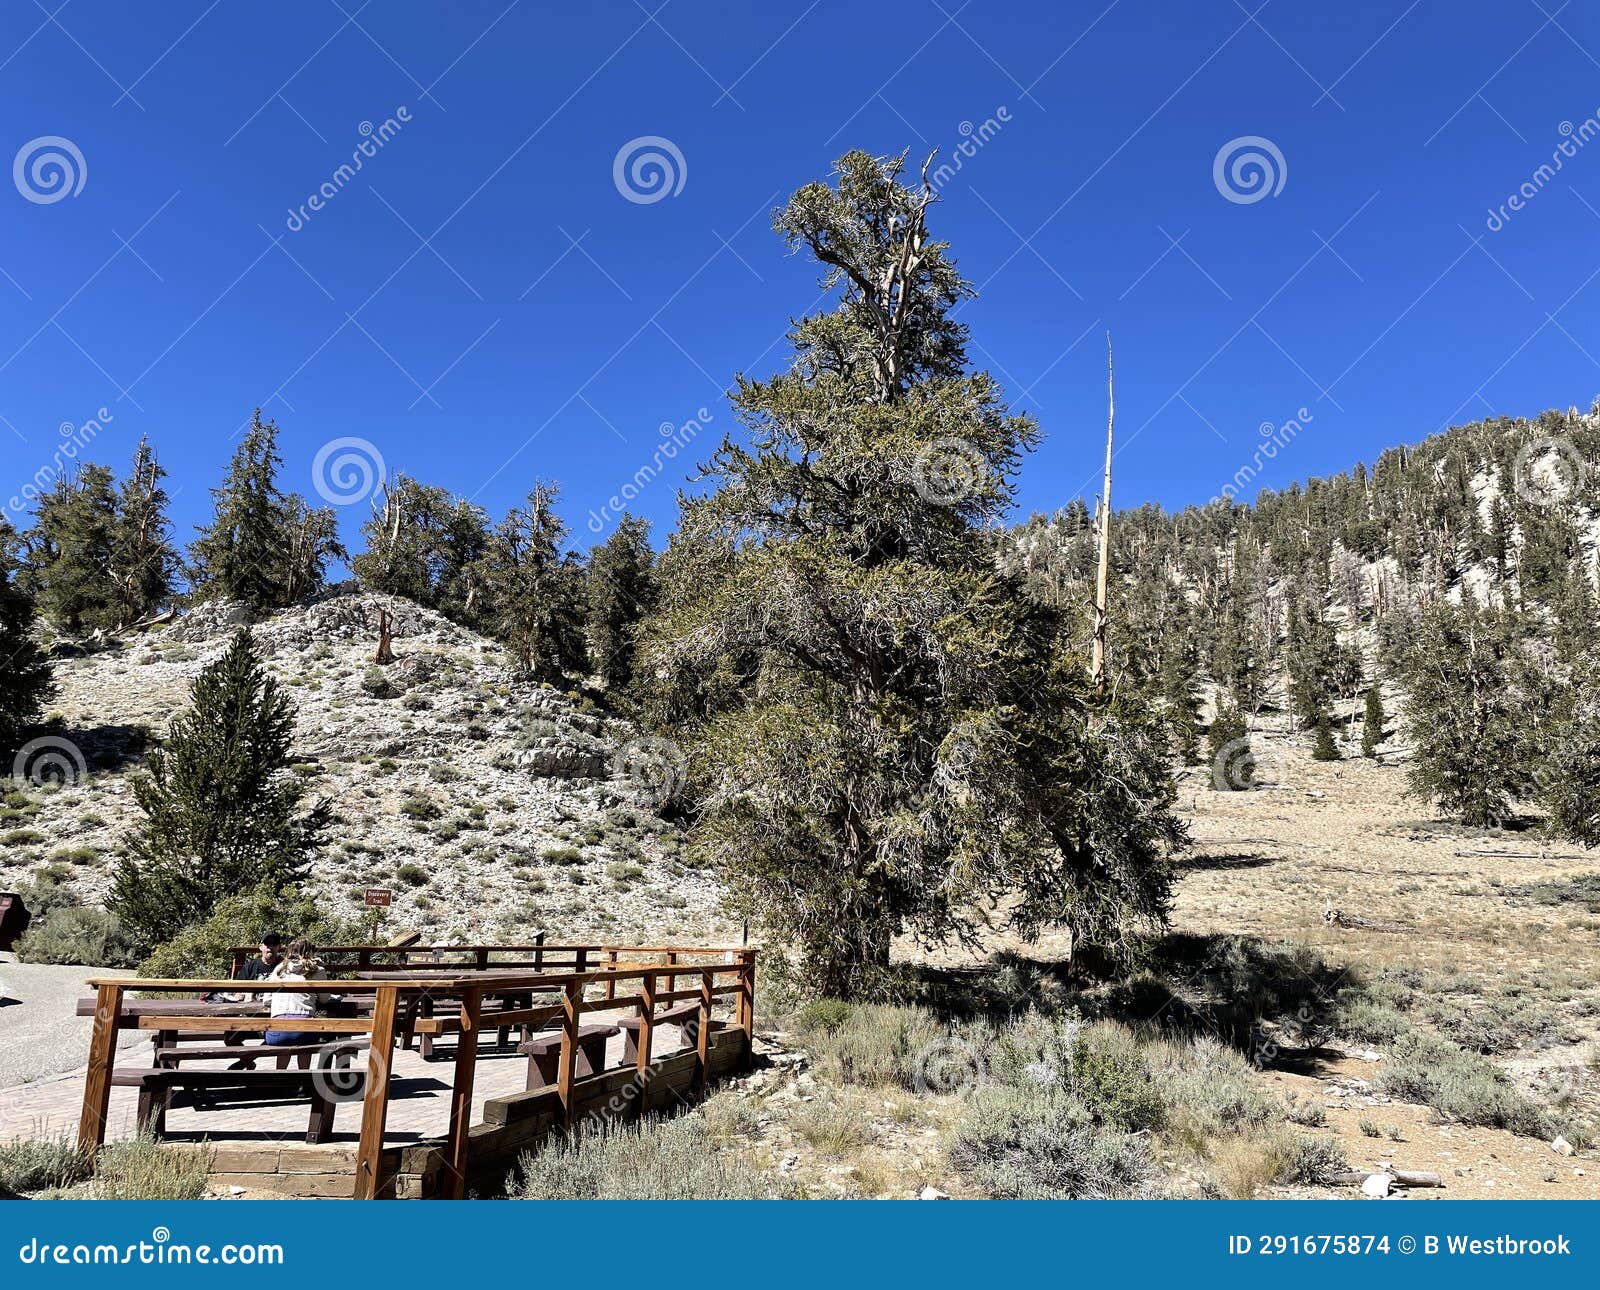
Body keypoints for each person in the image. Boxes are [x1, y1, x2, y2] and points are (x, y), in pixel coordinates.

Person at [263, 940, 327, 1069]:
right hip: (304, 1029)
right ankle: (303, 1079)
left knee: (286, 1039)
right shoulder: (316, 970)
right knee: (304, 1042)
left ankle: (279, 1077)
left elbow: (266, 1000)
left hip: (276, 1032)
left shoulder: (279, 969)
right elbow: (324, 999)